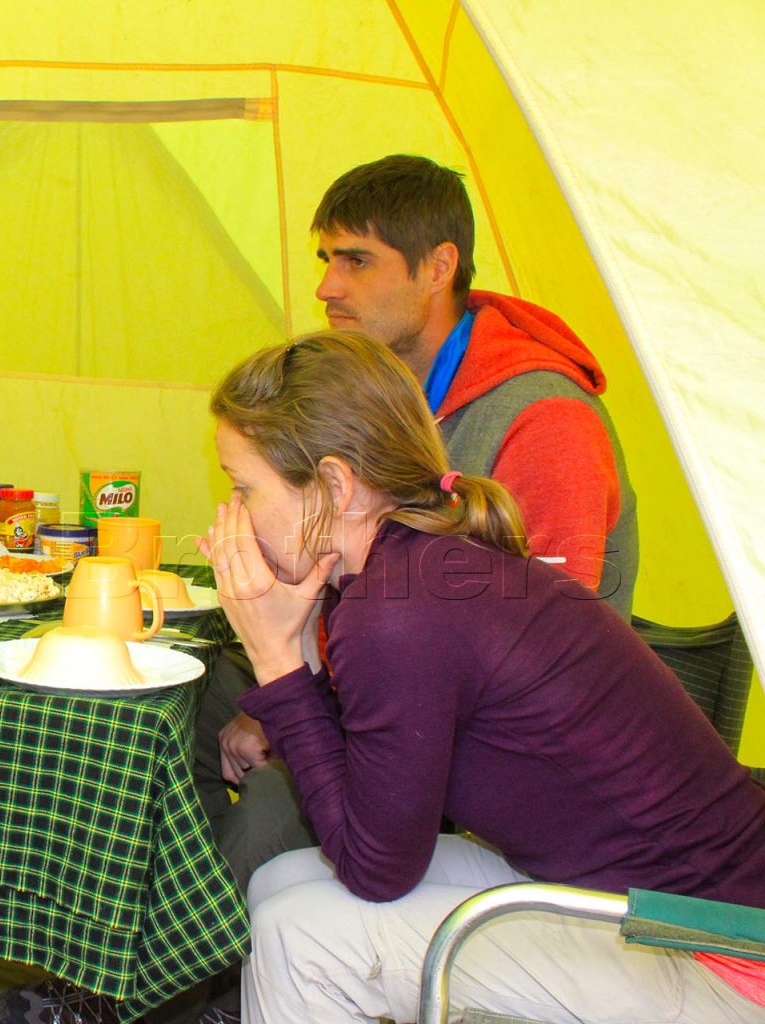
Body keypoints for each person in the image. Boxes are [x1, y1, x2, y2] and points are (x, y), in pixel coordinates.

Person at [199, 330, 765, 1024]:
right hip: (634, 897)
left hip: (717, 950)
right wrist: (297, 652)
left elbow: (377, 869)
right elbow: (369, 810)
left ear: (335, 485)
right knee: (283, 882)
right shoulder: (408, 572)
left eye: (244, 489)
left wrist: (276, 662)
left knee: (303, 938)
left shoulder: (398, 612)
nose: (232, 517)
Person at [197, 152, 642, 893]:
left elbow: (531, 666)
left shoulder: (544, 420)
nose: (326, 286)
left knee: (277, 802)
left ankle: (171, 969)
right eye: (325, 258)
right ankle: (197, 948)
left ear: (438, 266)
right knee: (197, 697)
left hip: (497, 755)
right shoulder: (387, 392)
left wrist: (289, 704)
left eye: (356, 260)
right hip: (390, 691)